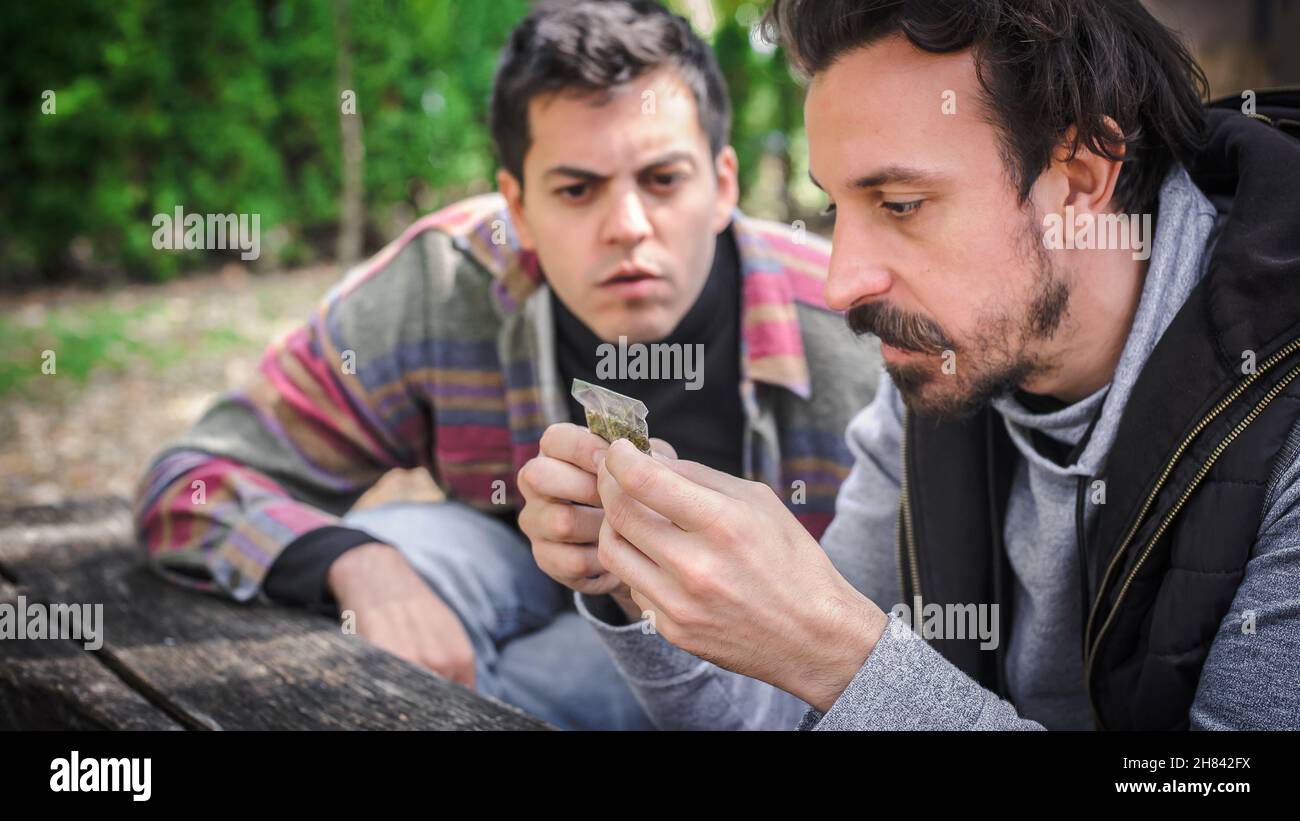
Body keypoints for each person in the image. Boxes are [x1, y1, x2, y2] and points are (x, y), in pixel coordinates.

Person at [535, 0, 1300, 729]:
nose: (840, 284)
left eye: (901, 204)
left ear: (1081, 177)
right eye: (839, 208)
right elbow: (788, 713)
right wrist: (640, 577)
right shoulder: (937, 379)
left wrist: (841, 655)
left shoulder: (1283, 422)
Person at [132, 0, 880, 730]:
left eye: (662, 180)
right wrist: (351, 560)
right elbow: (191, 481)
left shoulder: (853, 319)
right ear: (516, 206)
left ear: (723, 184)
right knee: (402, 551)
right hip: (499, 572)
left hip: (721, 662)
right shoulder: (440, 289)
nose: (626, 227)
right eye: (576, 189)